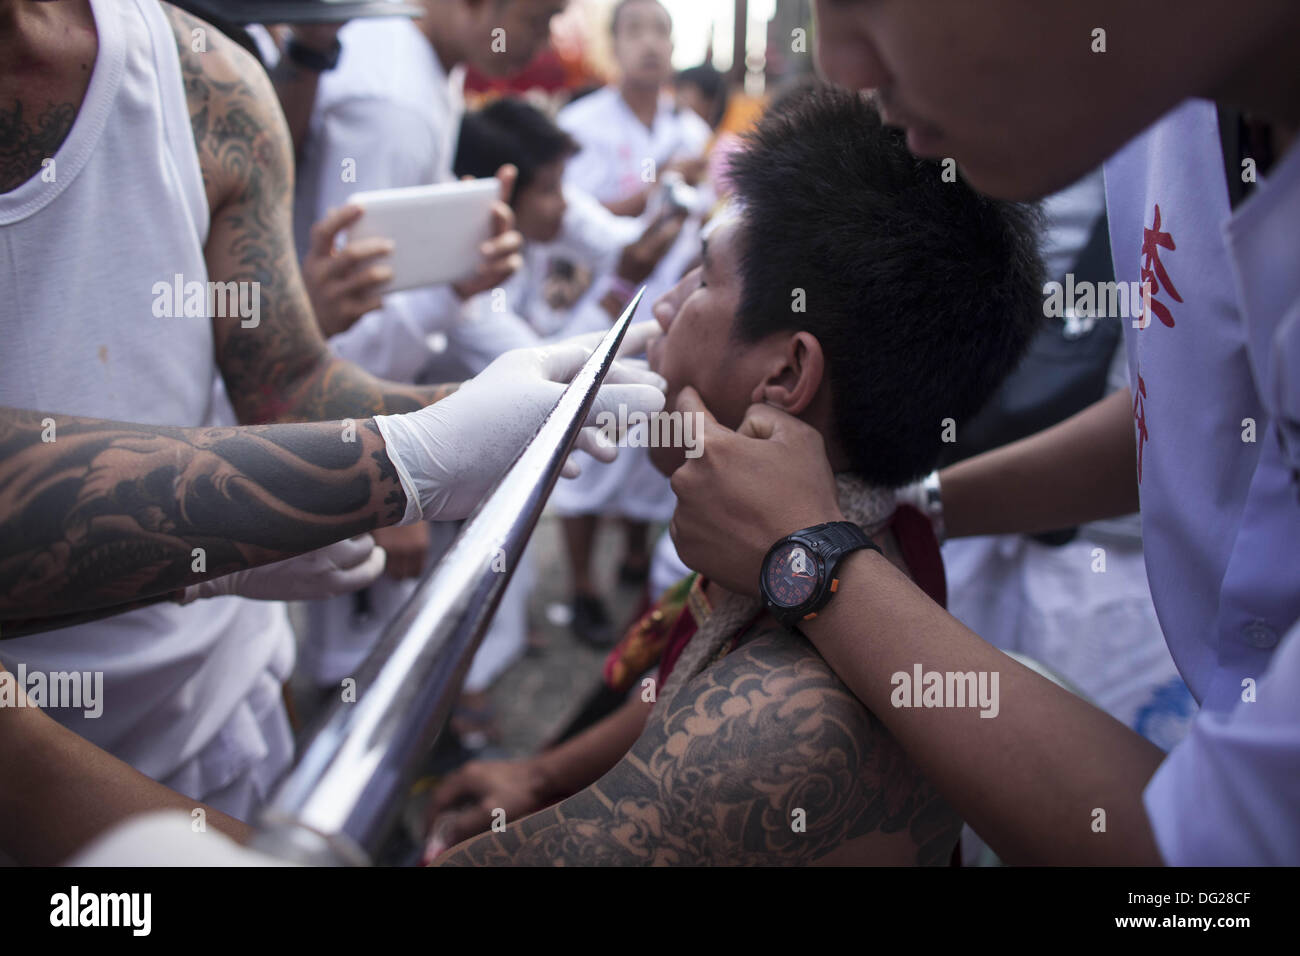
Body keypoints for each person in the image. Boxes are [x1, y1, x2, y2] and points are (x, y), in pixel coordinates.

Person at [0, 0, 662, 834]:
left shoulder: (208, 80)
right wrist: (403, 460)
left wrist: (473, 417)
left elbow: (290, 383)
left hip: (226, 711)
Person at [666, 0, 1300, 864]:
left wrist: (811, 557)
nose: (846, 64)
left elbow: (1205, 880)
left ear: (789, 372)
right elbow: (1207, 416)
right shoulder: (1165, 116)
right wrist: (912, 502)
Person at [426, 86, 1044, 865]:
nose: (663, 308)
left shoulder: (774, 727)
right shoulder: (844, 545)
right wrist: (542, 772)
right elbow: (681, 687)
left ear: (785, 373)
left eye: (702, 281)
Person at [552, 0, 712, 645]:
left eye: (662, 31)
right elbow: (564, 217)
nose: (651, 43)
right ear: (613, 43)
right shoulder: (580, 124)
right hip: (595, 313)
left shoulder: (693, 133)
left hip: (669, 323)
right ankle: (581, 587)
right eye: (636, 30)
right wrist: (655, 191)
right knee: (585, 449)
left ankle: (635, 565)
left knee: (653, 455)